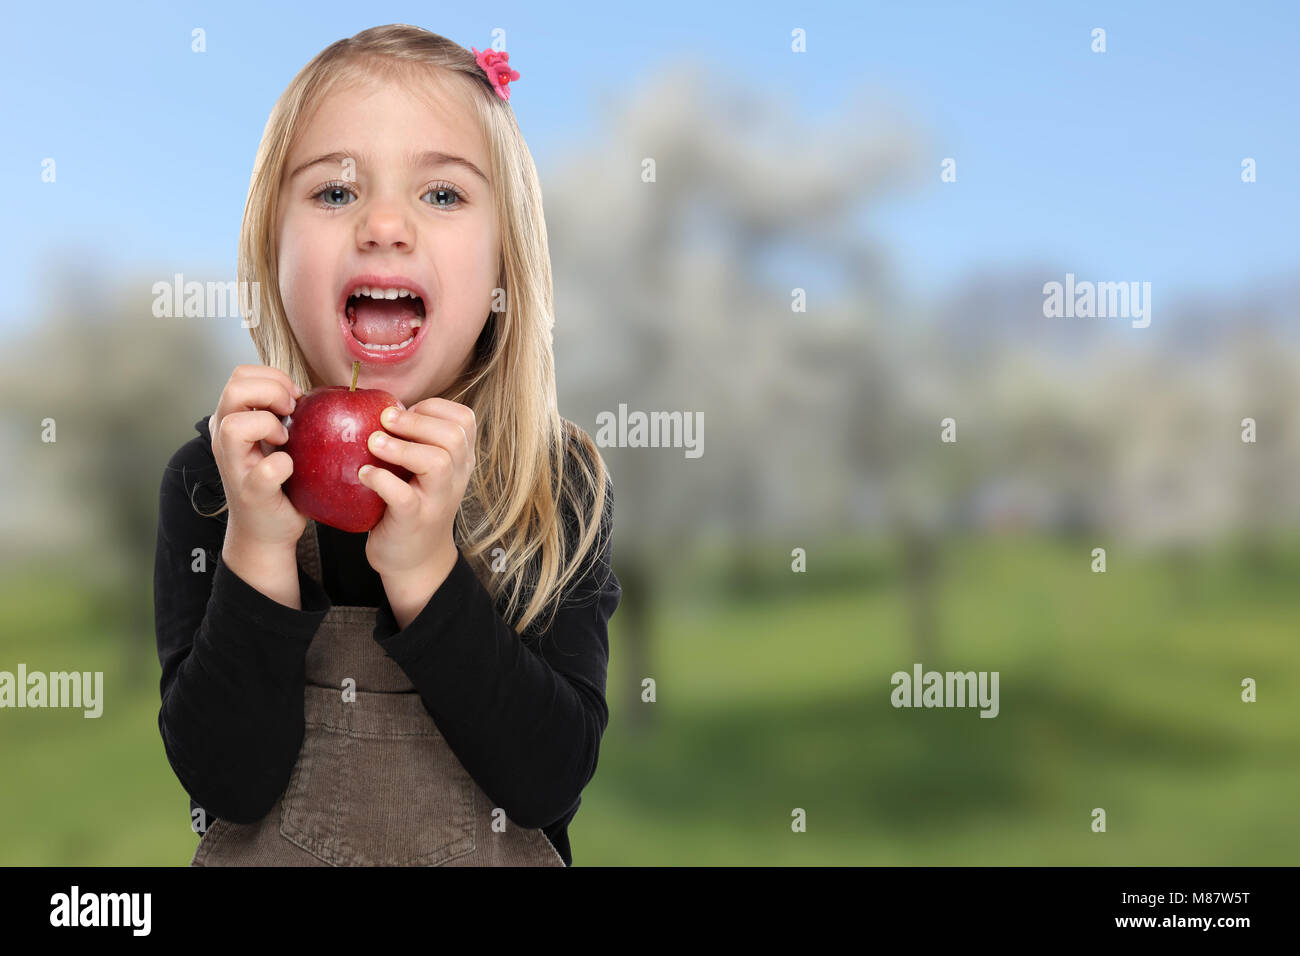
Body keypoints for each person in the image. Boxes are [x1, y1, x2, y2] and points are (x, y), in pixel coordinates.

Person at [152, 24, 620, 867]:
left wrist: (426, 572)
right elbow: (225, 784)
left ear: (506, 263)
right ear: (272, 250)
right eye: (334, 194)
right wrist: (257, 546)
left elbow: (549, 780)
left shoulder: (555, 486)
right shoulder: (214, 481)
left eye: (442, 195)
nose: (385, 225)